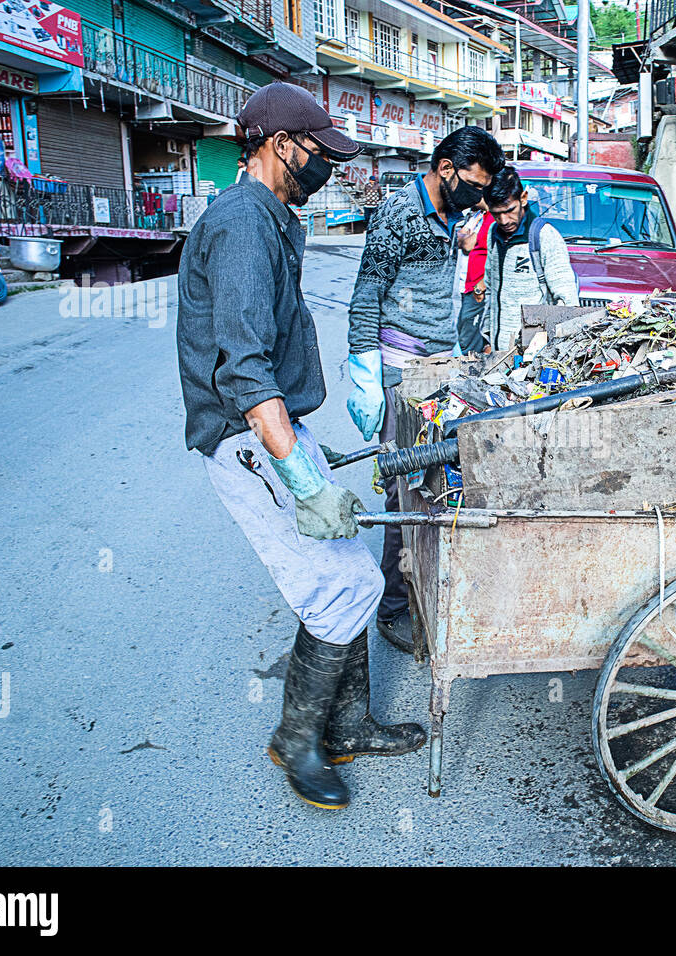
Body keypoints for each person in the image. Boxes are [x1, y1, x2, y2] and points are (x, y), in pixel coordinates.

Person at [176, 82, 425, 811]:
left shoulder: (271, 216)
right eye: (319, 153)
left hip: (279, 427)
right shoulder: (244, 225)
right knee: (334, 587)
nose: (328, 168)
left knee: (357, 577)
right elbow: (244, 370)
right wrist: (302, 479)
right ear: (280, 143)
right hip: (247, 438)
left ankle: (348, 724)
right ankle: (298, 739)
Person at [346, 125, 506, 653]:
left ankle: (423, 586)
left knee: (436, 484)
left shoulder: (449, 215)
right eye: (475, 186)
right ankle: (394, 607)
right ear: (444, 169)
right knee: (405, 491)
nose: (480, 197)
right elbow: (368, 292)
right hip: (399, 368)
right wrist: (366, 372)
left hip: (437, 366)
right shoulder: (400, 213)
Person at [482, 166, 580, 354]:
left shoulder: (544, 236)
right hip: (498, 353)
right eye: (496, 213)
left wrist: (546, 348)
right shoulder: (492, 234)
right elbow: (490, 291)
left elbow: (567, 302)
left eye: (509, 210)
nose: (503, 220)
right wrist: (487, 338)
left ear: (523, 198)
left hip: (532, 354)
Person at [455, 203, 493, 353]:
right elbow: (460, 240)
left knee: (468, 338)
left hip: (478, 287)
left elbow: (468, 244)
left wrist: (480, 286)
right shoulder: (477, 215)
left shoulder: (492, 218)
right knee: (465, 330)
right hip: (467, 285)